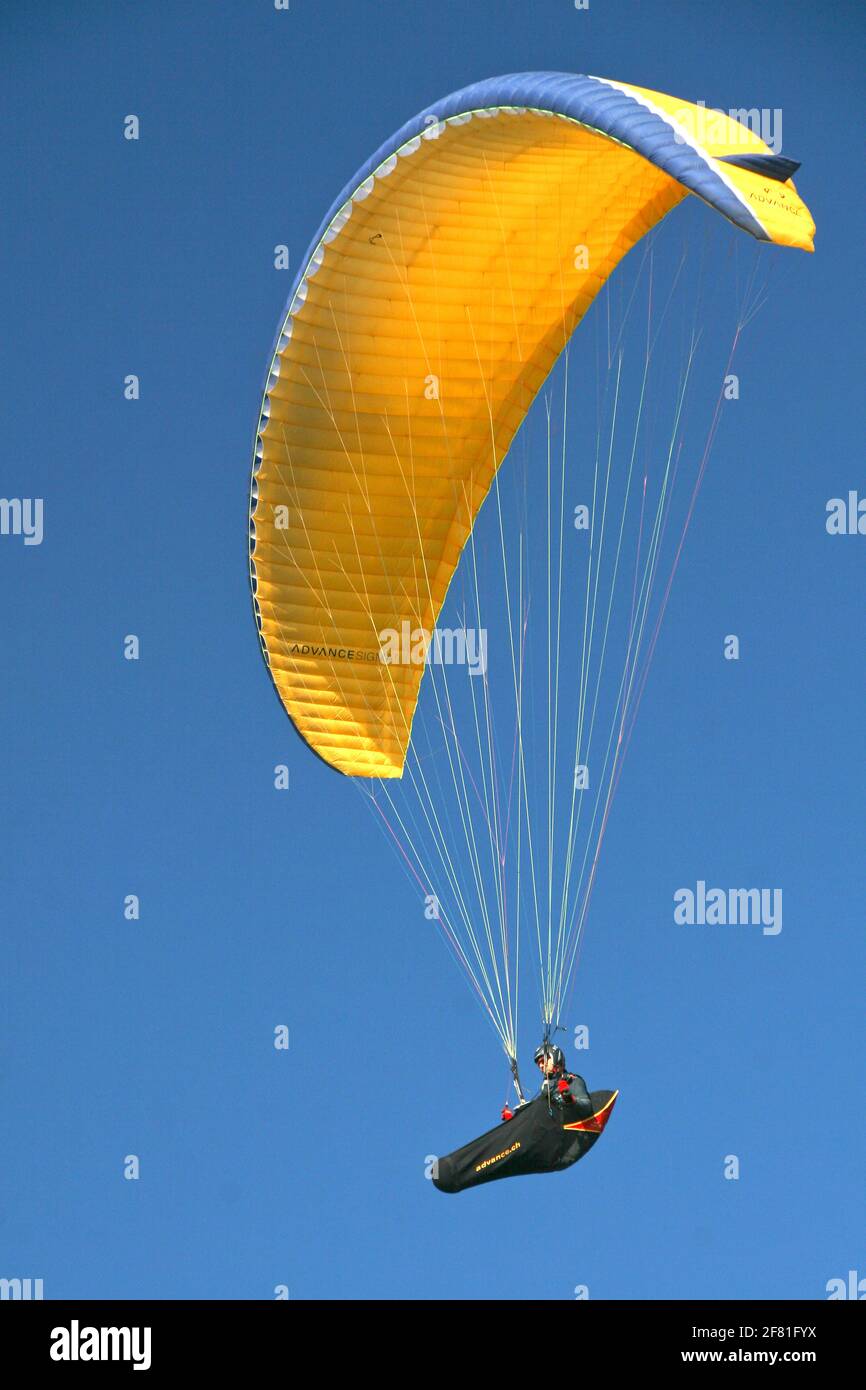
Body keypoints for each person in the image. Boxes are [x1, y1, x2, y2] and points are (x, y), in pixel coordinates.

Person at [533, 1042, 593, 1119]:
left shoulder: (572, 1081)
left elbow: (587, 1107)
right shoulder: (545, 1087)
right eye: (539, 1064)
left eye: (543, 1061)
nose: (541, 1066)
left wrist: (570, 1100)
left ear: (554, 1057)